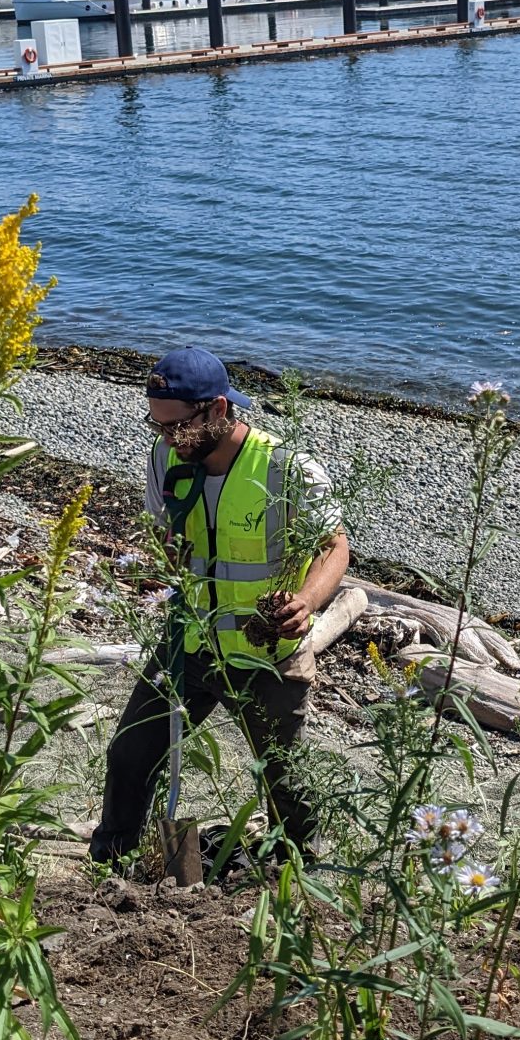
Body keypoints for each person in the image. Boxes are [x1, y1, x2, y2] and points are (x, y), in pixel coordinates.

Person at [89, 346, 350, 865]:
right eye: (157, 426)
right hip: (190, 641)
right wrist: (162, 564)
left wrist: (304, 602)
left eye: (177, 427)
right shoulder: (167, 457)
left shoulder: (286, 469)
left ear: (218, 410)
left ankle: (300, 873)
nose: (167, 439)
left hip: (267, 652)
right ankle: (111, 863)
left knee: (284, 777)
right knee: (130, 754)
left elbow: (333, 545)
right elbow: (164, 534)